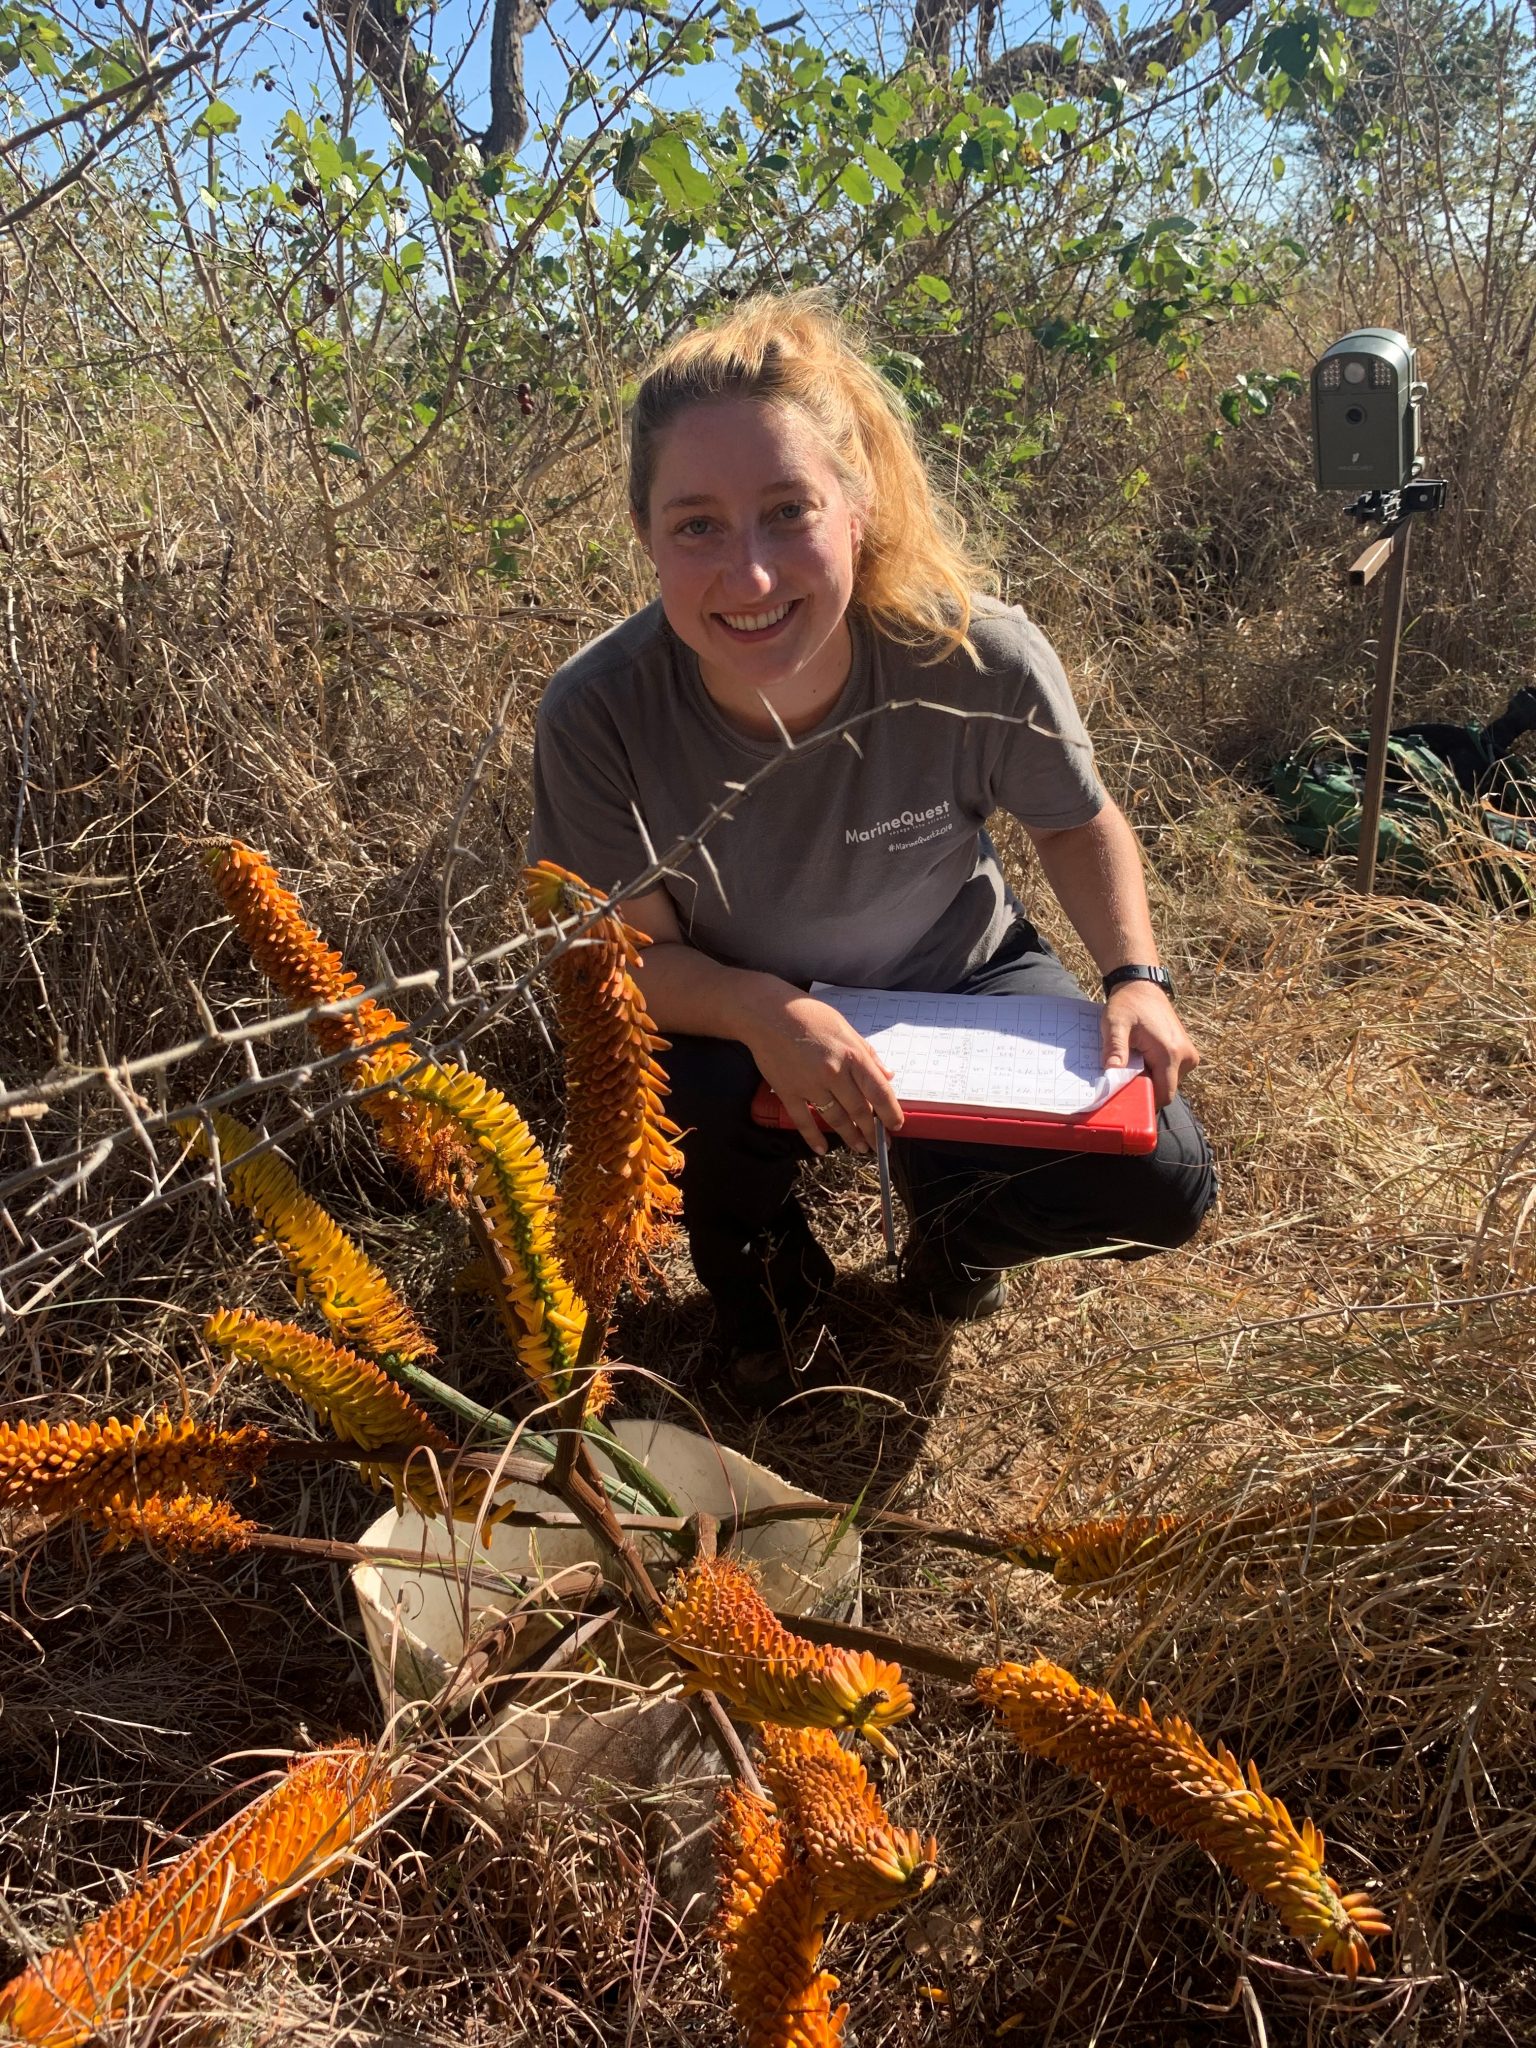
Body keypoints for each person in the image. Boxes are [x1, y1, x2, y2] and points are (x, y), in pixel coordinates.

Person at [528, 292, 1215, 1405]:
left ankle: (955, 1235)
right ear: (647, 536)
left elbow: (1074, 819)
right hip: (744, 1006)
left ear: (858, 511)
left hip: (959, 973)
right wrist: (766, 1010)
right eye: (695, 524)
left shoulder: (972, 653)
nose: (747, 577)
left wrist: (1136, 975)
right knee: (677, 1090)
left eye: (788, 510)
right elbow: (621, 958)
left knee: (1165, 1181)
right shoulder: (600, 712)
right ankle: (768, 1281)